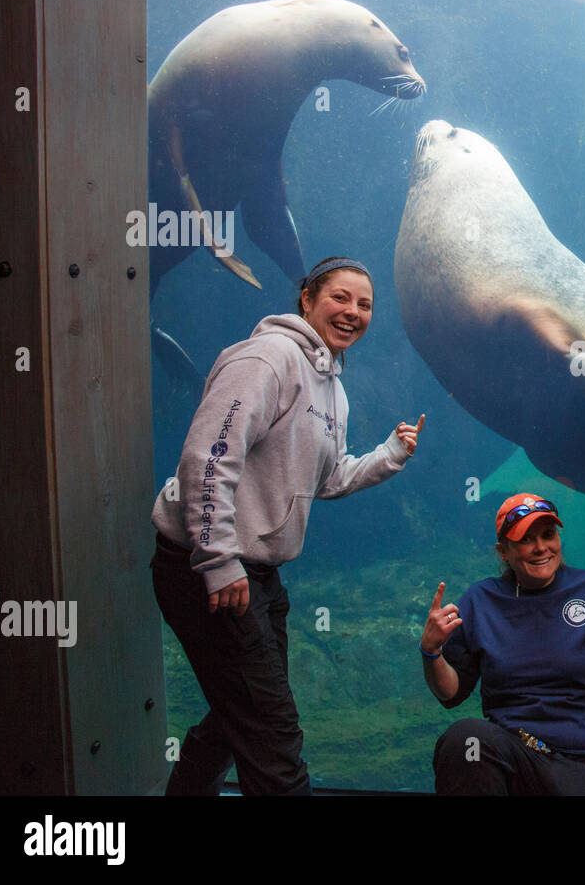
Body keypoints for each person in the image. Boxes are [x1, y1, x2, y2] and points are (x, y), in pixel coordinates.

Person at [151, 256, 424, 795]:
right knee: (272, 731)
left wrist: (389, 455)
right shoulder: (268, 359)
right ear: (307, 300)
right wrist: (218, 559)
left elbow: (329, 479)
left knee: (241, 717)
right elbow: (209, 456)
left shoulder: (333, 390)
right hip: (209, 571)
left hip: (258, 577)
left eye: (365, 304)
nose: (352, 312)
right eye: (339, 298)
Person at [422, 494, 585, 795]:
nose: (540, 548)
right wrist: (431, 652)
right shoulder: (480, 600)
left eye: (548, 535)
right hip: (518, 757)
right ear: (503, 551)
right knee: (465, 740)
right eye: (525, 539)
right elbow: (452, 692)